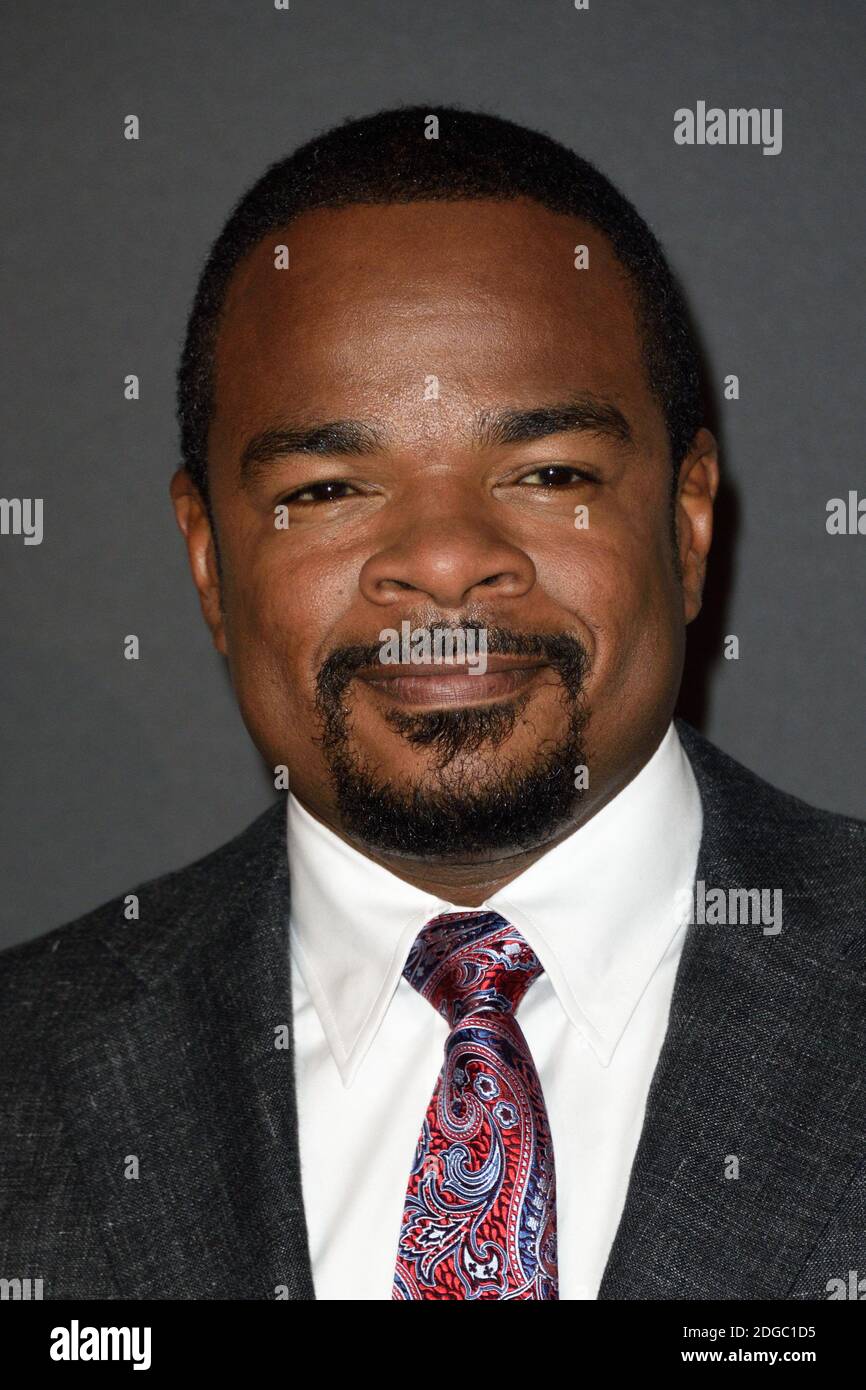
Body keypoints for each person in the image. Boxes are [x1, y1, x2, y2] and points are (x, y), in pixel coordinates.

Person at [1, 105, 862, 1301]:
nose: (447, 558)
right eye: (332, 485)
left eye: (548, 473)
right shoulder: (26, 1071)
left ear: (685, 517)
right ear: (207, 560)